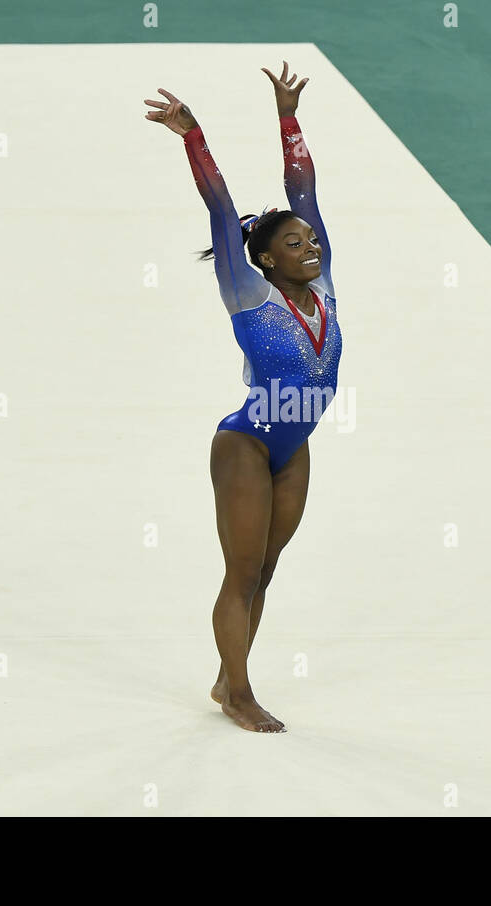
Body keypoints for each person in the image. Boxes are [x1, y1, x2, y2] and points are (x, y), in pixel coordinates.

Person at [144, 61, 342, 733]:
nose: (310, 246)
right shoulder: (246, 290)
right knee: (242, 570)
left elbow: (303, 188)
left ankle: (227, 678)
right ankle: (239, 693)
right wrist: (192, 136)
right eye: (295, 243)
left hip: (295, 445)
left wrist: (289, 117)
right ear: (266, 259)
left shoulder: (326, 287)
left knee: (266, 572)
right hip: (249, 442)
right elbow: (222, 209)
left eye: (311, 238)